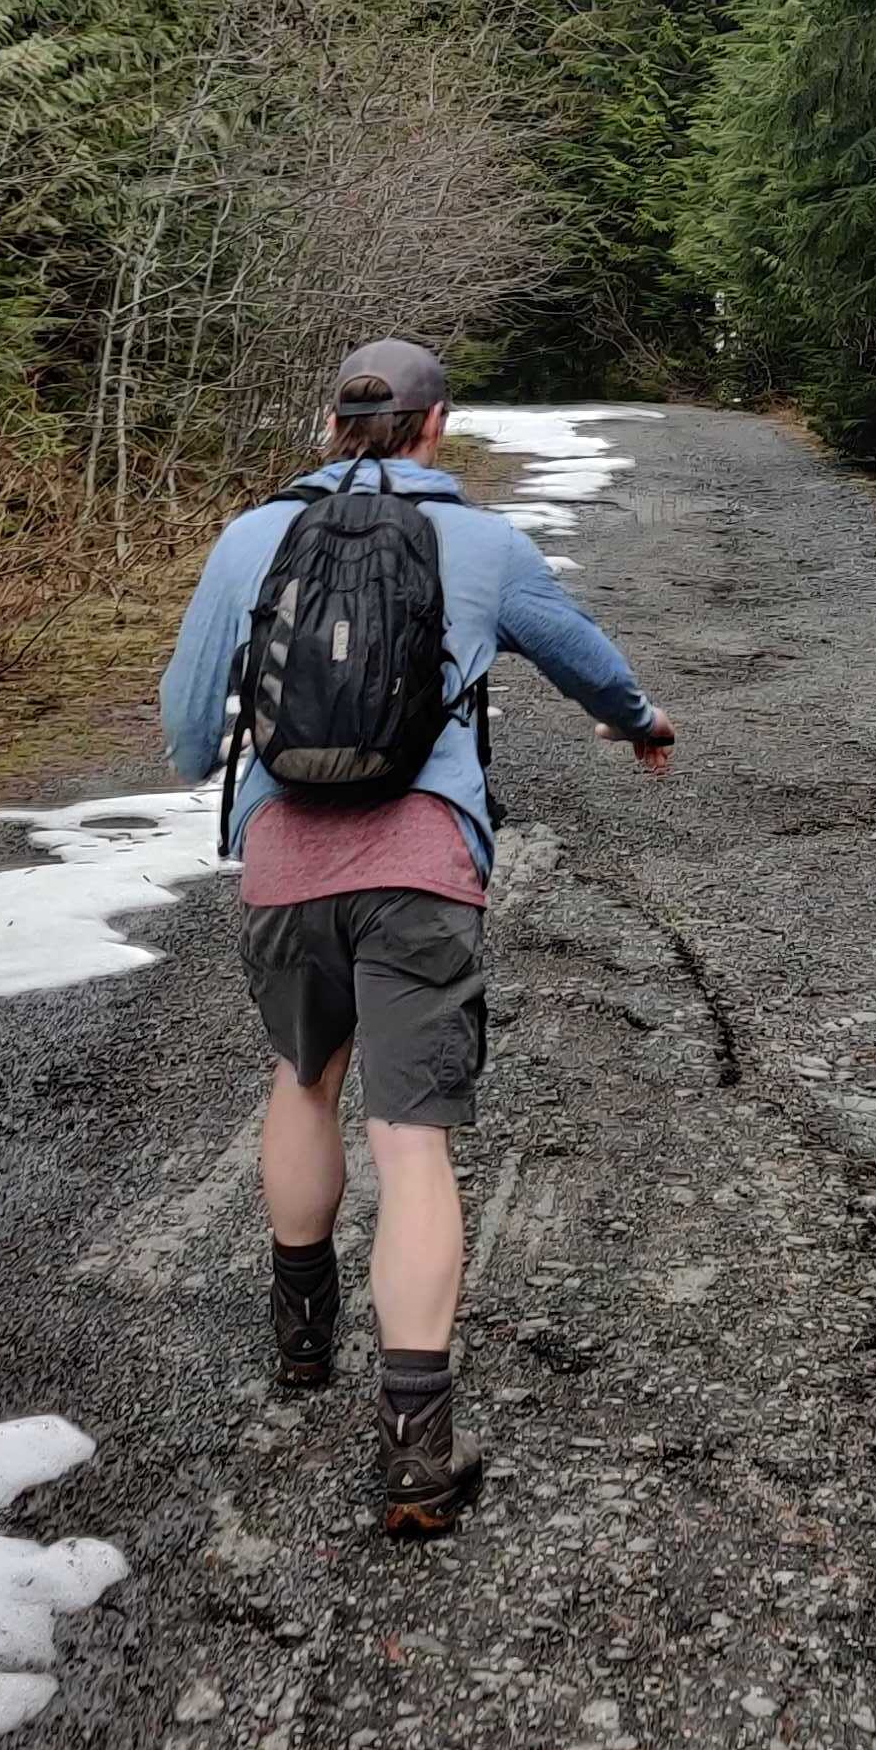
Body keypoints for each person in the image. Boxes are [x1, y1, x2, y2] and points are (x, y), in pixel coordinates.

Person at [160, 339, 676, 1535]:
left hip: (286, 862)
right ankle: (418, 1453)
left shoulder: (253, 538)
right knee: (412, 1145)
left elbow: (192, 738)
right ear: (437, 424)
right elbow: (583, 658)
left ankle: (299, 1345)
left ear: (334, 421)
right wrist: (642, 723)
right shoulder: (483, 543)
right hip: (424, 868)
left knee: (303, 1086)